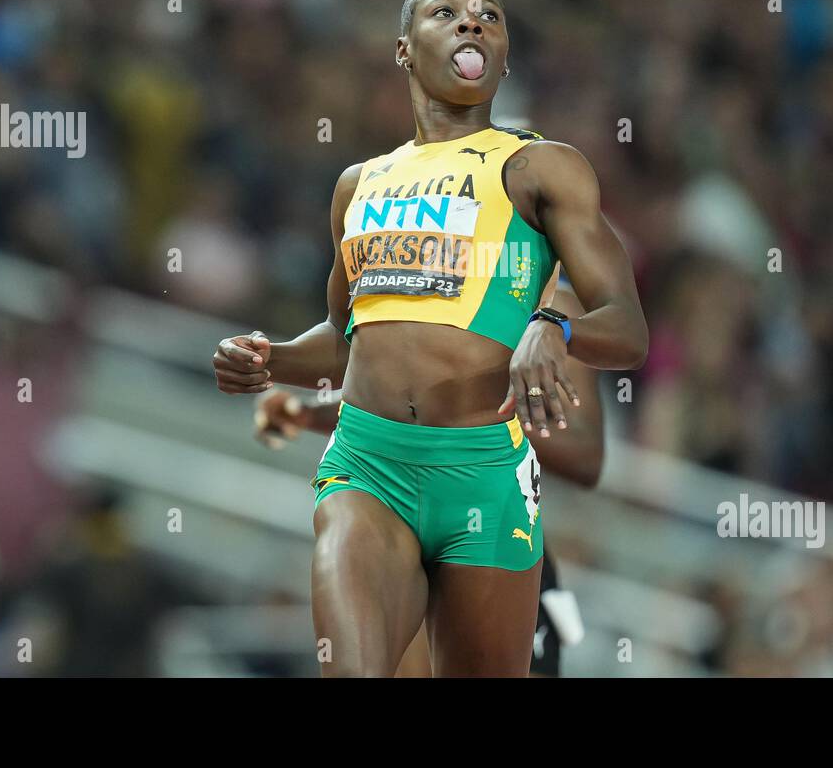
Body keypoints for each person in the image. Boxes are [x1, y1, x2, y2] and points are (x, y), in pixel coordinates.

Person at [213, 0, 647, 677]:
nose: (472, 21)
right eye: (446, 12)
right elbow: (347, 340)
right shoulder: (359, 184)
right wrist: (274, 359)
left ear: (504, 54)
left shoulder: (540, 167)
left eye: (489, 14)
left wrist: (554, 324)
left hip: (484, 472)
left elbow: (629, 327)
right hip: (368, 466)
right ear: (404, 48)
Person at [255, 278, 605, 676]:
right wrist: (306, 412)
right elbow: (394, 395)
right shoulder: (421, 272)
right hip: (407, 519)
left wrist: (476, 420)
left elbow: (585, 455)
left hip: (502, 536)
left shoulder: (551, 302)